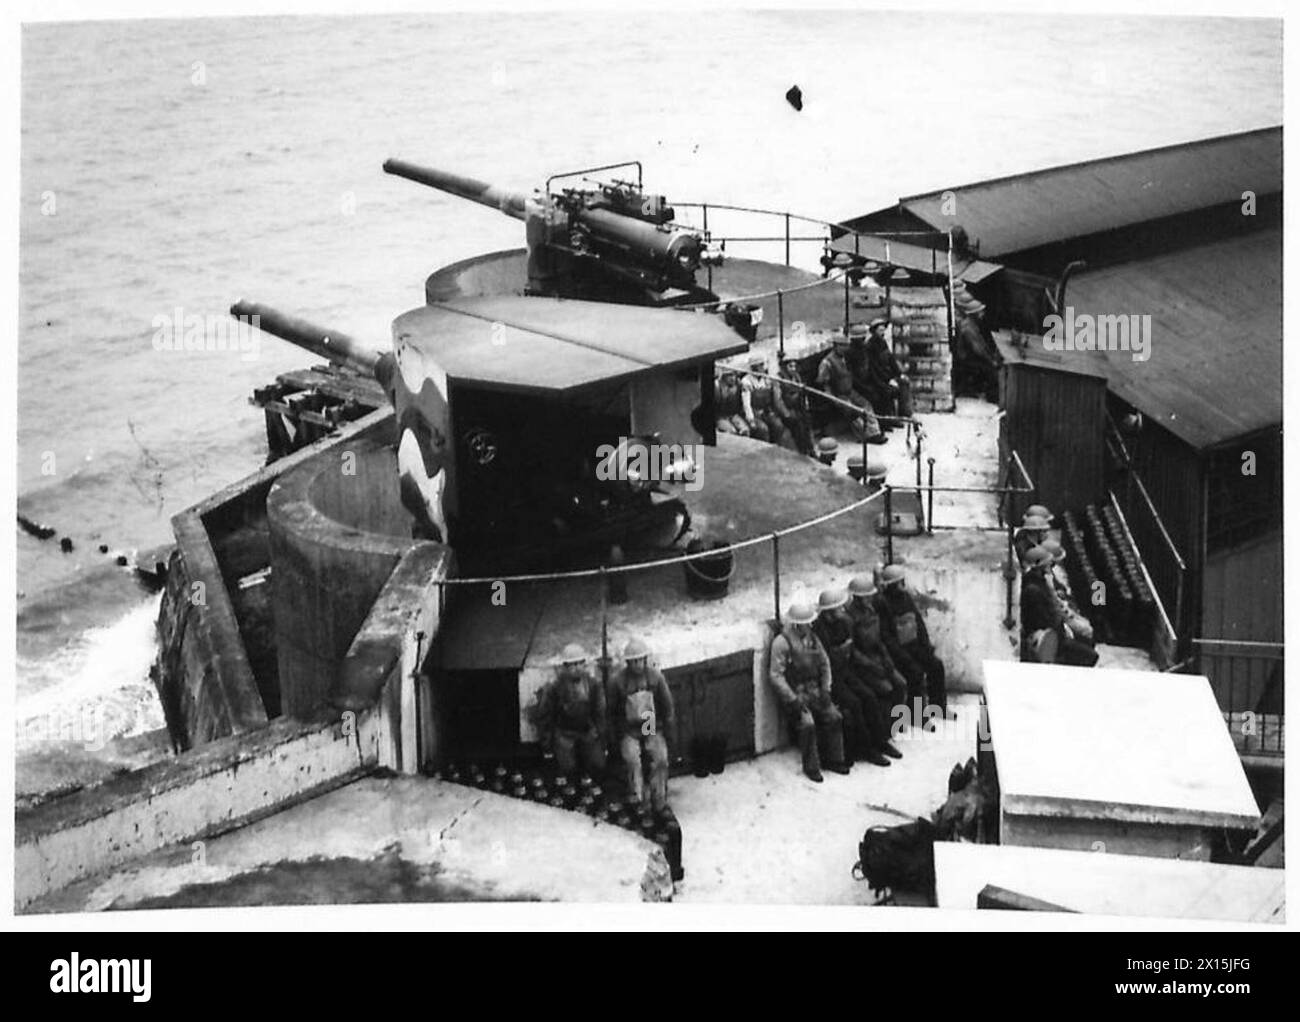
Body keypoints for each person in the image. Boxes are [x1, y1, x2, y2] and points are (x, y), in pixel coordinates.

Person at [812, 587, 901, 766]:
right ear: (828, 611)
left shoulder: (842, 623)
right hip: (831, 678)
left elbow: (849, 649)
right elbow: (827, 659)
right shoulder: (819, 630)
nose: (841, 610)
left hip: (846, 670)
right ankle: (866, 749)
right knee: (855, 704)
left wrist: (843, 651)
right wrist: (841, 651)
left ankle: (880, 741)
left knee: (870, 696)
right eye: (837, 608)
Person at [767, 602, 851, 781]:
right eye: (806, 623)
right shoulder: (781, 643)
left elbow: (824, 663)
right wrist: (792, 699)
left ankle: (834, 759)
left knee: (834, 716)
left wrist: (826, 689)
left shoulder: (813, 639)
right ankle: (811, 766)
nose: (809, 625)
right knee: (807, 724)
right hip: (795, 694)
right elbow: (776, 676)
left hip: (814, 689)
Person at [875, 564, 948, 728]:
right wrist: (903, 656)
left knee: (936, 666)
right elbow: (887, 637)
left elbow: (918, 623)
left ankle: (938, 707)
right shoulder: (883, 603)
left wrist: (926, 645)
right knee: (915, 673)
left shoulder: (905, 598)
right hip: (898, 651)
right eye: (899, 582)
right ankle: (917, 716)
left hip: (914, 645)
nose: (902, 584)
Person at [607, 638, 675, 810]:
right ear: (628, 662)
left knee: (660, 758)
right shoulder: (617, 682)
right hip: (629, 729)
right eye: (633, 661)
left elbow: (667, 706)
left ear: (645, 659)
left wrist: (668, 731)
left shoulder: (656, 677)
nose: (637, 665)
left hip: (650, 724)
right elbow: (611, 712)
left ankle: (659, 800)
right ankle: (637, 801)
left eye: (640, 660)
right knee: (632, 761)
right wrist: (615, 737)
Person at [845, 574, 910, 726]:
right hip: (863, 664)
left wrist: (886, 659)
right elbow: (853, 651)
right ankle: (884, 727)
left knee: (901, 684)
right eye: (866, 596)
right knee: (886, 689)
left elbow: (878, 639)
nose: (870, 599)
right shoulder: (849, 618)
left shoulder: (870, 610)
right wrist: (872, 666)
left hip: (877, 657)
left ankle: (897, 722)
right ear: (857, 598)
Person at [1020, 546, 1099, 667]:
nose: (1050, 566)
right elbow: (1046, 619)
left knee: (1088, 642)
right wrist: (1063, 628)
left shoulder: (1039, 583)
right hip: (1051, 639)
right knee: (1091, 655)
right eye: (1047, 564)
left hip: (1056, 633)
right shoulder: (1034, 590)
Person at [538, 643, 608, 775]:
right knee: (567, 768)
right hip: (564, 733)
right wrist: (546, 744)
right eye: (572, 665)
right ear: (565, 667)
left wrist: (602, 739)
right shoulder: (555, 686)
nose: (576, 668)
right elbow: (545, 716)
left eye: (579, 663)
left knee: (597, 765)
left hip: (587, 731)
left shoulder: (594, 684)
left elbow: (600, 713)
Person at [815, 335, 883, 443]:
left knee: (866, 405)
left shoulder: (846, 358)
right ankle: (866, 436)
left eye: (846, 345)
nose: (845, 348)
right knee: (852, 411)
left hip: (850, 391)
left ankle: (875, 432)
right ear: (835, 346)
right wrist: (833, 399)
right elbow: (823, 384)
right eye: (842, 345)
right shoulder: (827, 362)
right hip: (838, 394)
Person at [853, 319, 912, 422]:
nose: (883, 333)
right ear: (874, 331)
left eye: (883, 330)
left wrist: (899, 374)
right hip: (878, 378)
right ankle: (888, 419)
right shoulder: (870, 346)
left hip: (886, 376)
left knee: (904, 383)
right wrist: (888, 379)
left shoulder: (883, 343)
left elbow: (891, 360)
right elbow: (875, 368)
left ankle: (904, 414)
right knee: (887, 391)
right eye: (880, 330)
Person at [952, 300, 1000, 402]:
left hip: (969, 356)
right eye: (980, 312)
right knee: (992, 371)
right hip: (967, 359)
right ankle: (992, 397)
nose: (982, 314)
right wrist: (992, 361)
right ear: (974, 313)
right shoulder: (968, 327)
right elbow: (978, 349)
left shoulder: (972, 324)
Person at [740, 354, 788, 446]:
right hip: (754, 413)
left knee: (778, 425)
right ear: (754, 367)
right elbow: (746, 404)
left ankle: (776, 446)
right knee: (763, 429)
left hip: (766, 411)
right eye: (760, 365)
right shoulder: (746, 381)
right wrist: (751, 419)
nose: (763, 367)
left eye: (762, 364)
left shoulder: (766, 379)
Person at [774, 355, 815, 455]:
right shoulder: (778, 379)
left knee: (807, 422)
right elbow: (778, 400)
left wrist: (805, 406)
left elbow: (802, 393)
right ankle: (802, 451)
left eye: (794, 366)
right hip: (788, 409)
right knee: (798, 425)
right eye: (790, 366)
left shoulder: (797, 377)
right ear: (785, 367)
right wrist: (786, 413)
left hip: (798, 407)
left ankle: (811, 449)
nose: (793, 369)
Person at [715, 367, 749, 436]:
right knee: (732, 432)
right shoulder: (717, 387)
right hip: (720, 417)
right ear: (724, 377)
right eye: (729, 375)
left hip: (734, 415)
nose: (732, 378)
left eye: (734, 375)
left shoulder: (739, 386)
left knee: (745, 430)